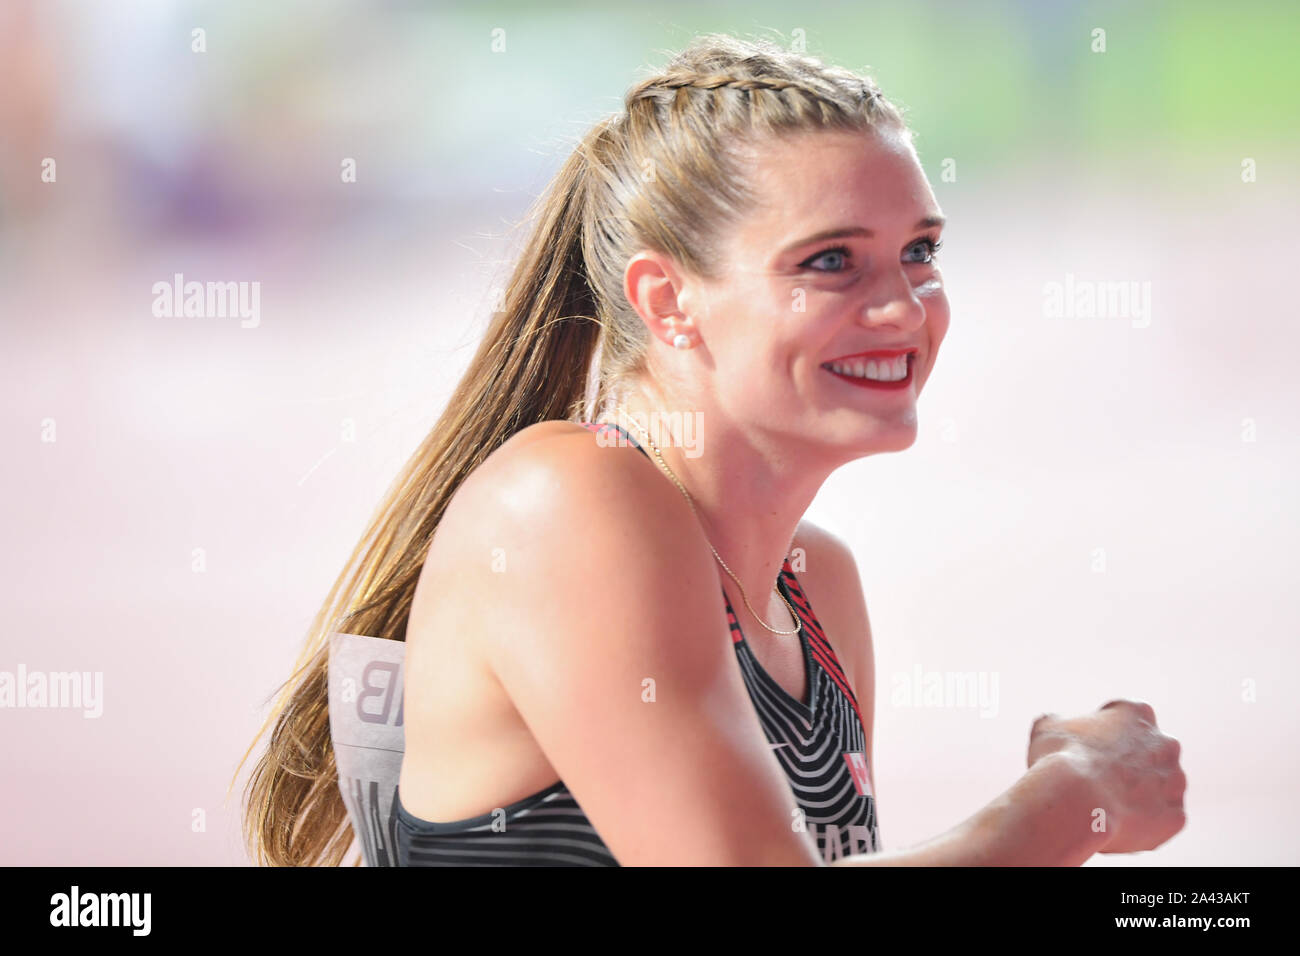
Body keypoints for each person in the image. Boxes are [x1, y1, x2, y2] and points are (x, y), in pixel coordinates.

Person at [236, 32, 1187, 866]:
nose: (902, 308)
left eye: (921, 253)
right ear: (667, 302)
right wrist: (1071, 800)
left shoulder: (818, 586)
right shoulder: (565, 503)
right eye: (830, 261)